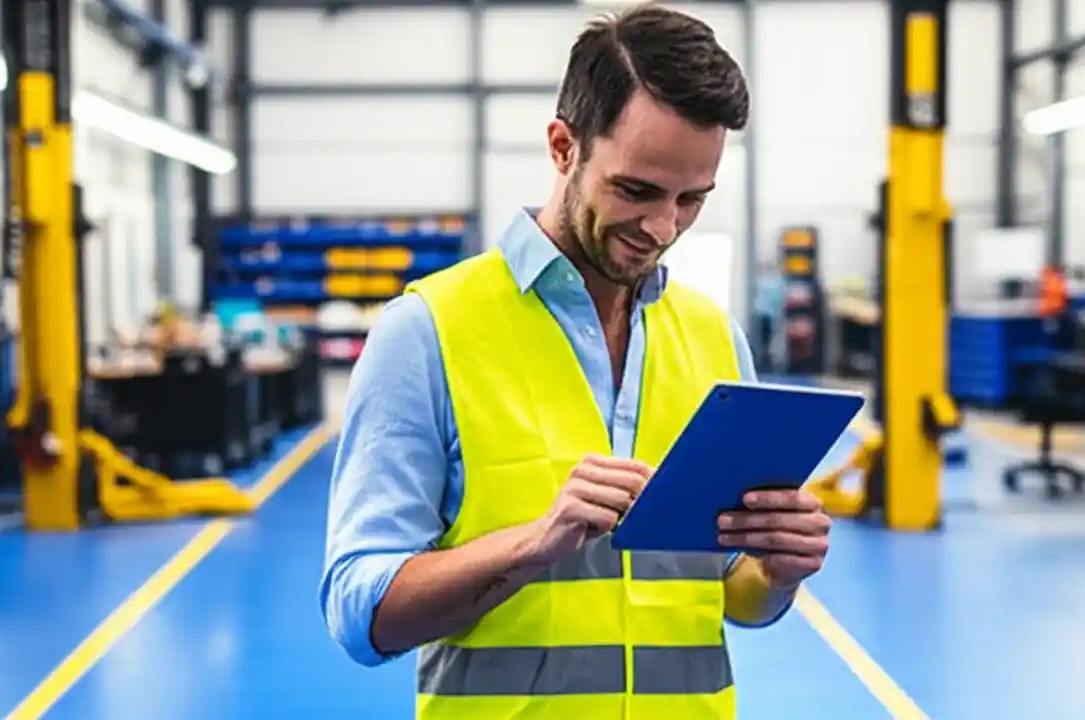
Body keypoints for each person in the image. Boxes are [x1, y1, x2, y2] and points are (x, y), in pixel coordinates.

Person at [320, 4, 832, 717]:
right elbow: (359, 614)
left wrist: (777, 573)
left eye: (692, 199)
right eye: (637, 190)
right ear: (564, 147)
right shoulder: (428, 332)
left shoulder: (717, 341)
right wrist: (531, 546)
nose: (663, 227)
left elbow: (730, 594)